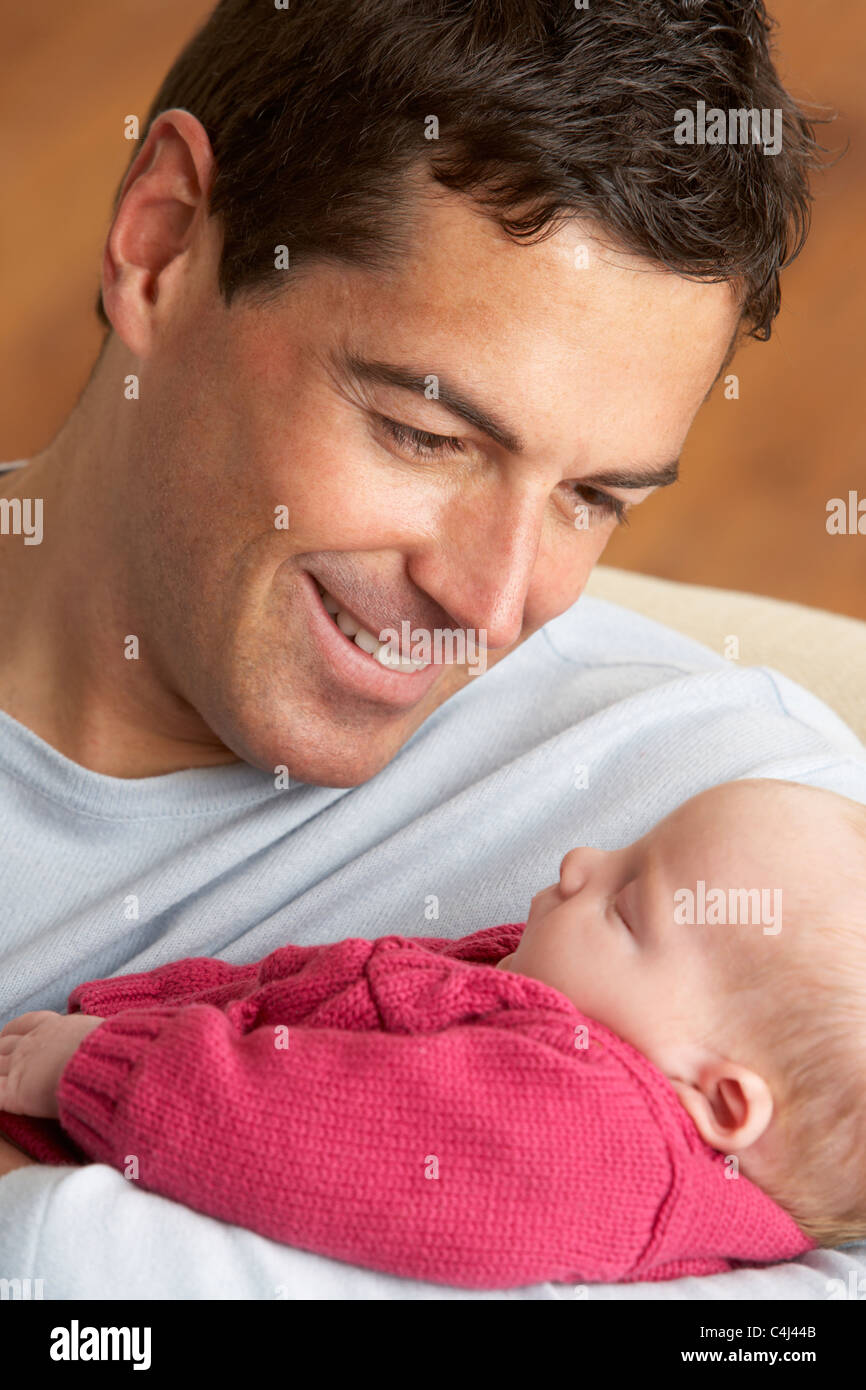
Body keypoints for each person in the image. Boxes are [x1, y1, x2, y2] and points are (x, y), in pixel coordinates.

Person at [2, 0, 861, 1300]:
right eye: (425, 431)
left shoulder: (740, 823)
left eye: (596, 498)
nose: (495, 599)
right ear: (165, 243)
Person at [2, 778, 865, 1290]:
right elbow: (336, 983)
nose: (579, 864)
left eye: (627, 903)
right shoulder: (567, 1024)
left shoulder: (592, 1142)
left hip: (82, 1137)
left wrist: (96, 1063)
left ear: (719, 1099)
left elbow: (303, 1132)